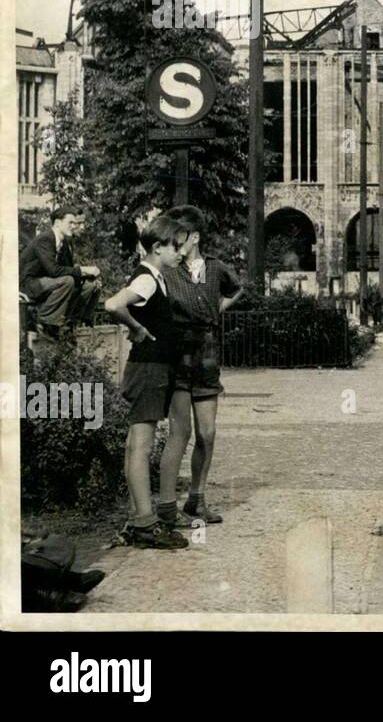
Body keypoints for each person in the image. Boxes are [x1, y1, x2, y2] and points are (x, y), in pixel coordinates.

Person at [103, 214, 190, 549]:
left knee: (134, 445)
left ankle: (137, 518)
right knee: (141, 445)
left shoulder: (154, 277)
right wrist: (137, 329)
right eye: (176, 247)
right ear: (158, 247)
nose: (181, 253)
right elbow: (113, 304)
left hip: (150, 368)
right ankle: (145, 524)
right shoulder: (148, 280)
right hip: (150, 369)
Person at [158, 205, 242, 529]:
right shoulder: (167, 271)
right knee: (181, 432)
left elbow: (236, 289)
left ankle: (197, 498)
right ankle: (168, 505)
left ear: (193, 237)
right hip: (178, 356)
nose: (174, 243)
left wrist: (216, 309)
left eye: (178, 236)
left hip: (207, 356)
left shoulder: (216, 268)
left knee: (207, 433)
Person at [19, 206, 102, 338]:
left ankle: (70, 322)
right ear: (57, 223)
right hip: (30, 284)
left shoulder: (63, 243)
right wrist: (83, 270)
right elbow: (54, 270)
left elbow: (67, 271)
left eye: (75, 223)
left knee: (90, 285)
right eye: (71, 222)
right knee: (68, 281)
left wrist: (86, 277)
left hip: (47, 282)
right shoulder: (45, 239)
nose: (74, 226)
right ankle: (45, 322)